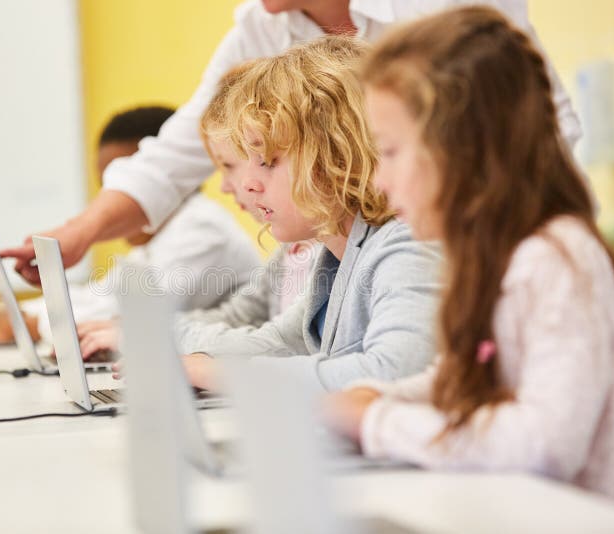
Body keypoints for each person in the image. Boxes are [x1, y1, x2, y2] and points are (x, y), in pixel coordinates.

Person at [0, 0, 580, 287]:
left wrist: (515, 264)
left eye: (268, 160)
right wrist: (78, 235)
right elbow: (176, 152)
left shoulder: (440, 10)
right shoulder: (263, 25)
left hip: (497, 248)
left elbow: (540, 130)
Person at [322, 6, 614, 501]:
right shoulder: (492, 256)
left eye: (391, 151)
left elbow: (545, 444)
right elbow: (459, 381)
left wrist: (377, 422)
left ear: (464, 148)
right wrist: (374, 397)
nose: (379, 180)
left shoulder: (555, 261)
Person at [134, 36, 442, 393]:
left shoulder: (407, 242)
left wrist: (222, 374)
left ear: (337, 155)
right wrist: (164, 345)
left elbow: (394, 372)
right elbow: (278, 344)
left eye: (267, 161)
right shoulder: (339, 256)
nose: (247, 183)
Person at [0, 106, 260, 344]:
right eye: (107, 187)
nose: (112, 200)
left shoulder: (201, 229)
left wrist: (21, 323)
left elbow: (132, 317)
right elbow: (98, 298)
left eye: (124, 187)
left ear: (164, 178)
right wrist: (10, 313)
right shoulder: (156, 239)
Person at [77, 65, 318, 360]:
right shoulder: (288, 251)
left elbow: (284, 343)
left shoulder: (202, 228)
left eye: (265, 161)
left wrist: (148, 336)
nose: (228, 186)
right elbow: (238, 317)